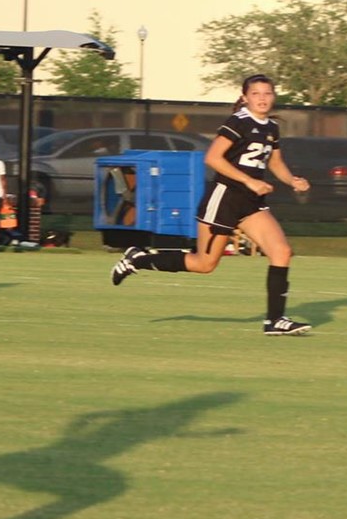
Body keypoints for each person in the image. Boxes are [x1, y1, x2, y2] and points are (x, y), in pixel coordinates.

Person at [110, 74, 313, 335]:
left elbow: (274, 162)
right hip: (225, 199)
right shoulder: (238, 122)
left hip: (251, 204)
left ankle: (275, 321)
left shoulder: (270, 127)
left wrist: (292, 180)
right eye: (256, 94)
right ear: (245, 97)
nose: (262, 99)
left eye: (267, 93)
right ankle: (138, 259)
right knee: (204, 264)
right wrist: (249, 182)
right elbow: (213, 158)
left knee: (282, 252)